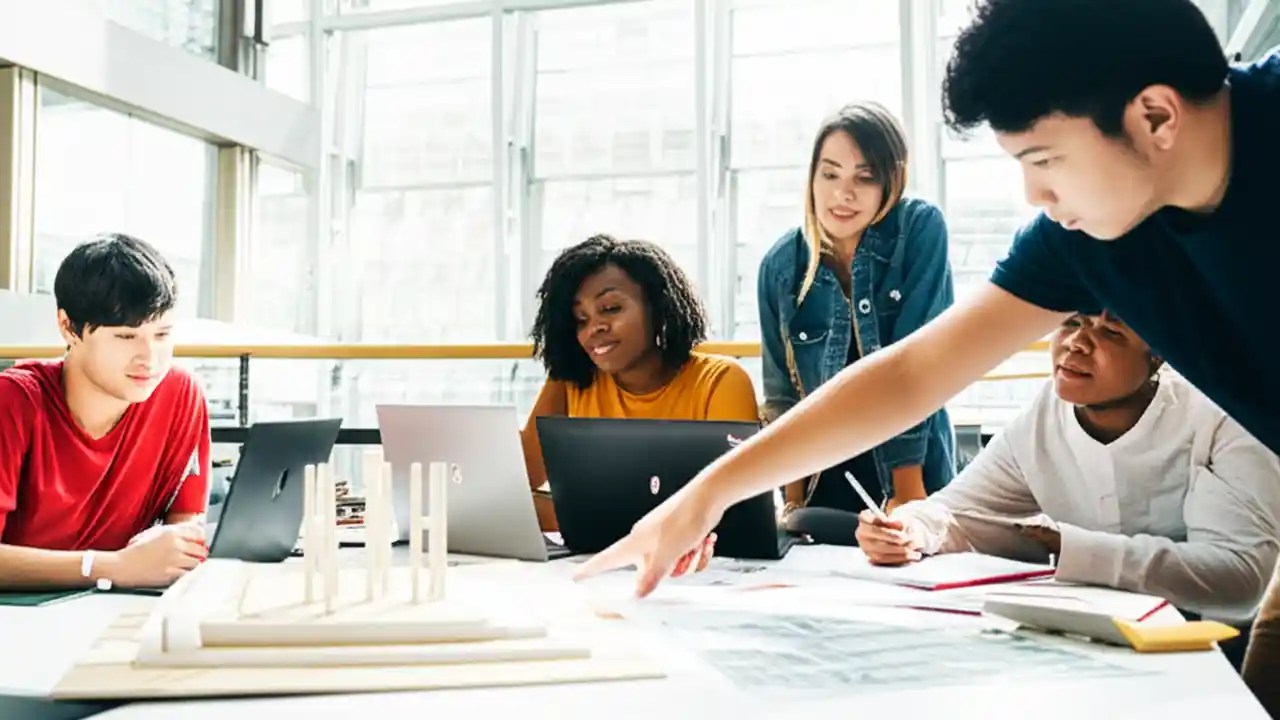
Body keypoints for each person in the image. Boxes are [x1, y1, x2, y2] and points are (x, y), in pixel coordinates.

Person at [576, 4, 1280, 701]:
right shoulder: (1087, 236)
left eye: (1044, 159)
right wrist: (707, 494)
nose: (1034, 193)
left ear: (1155, 117)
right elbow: (912, 373)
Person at [855, 313, 1280, 625]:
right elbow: (958, 514)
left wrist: (1072, 548)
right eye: (1071, 322)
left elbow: (1238, 580)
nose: (1077, 343)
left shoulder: (1222, 417)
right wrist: (907, 528)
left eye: (1111, 331)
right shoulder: (1045, 415)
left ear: (1158, 356)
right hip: (1089, 636)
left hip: (1209, 649)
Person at [758, 101, 955, 523]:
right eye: (829, 174)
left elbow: (914, 367)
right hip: (823, 493)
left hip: (912, 481)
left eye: (864, 179)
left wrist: (908, 499)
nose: (841, 194)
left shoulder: (918, 230)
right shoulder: (780, 266)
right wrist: (792, 506)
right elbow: (782, 398)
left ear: (891, 181)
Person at [520, 235, 759, 554]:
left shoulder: (720, 380)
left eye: (610, 308)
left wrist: (577, 515)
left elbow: (735, 509)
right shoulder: (571, 381)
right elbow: (518, 483)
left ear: (658, 307)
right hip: (604, 567)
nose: (594, 328)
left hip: (705, 567)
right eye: (581, 319)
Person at [0, 234, 211, 590]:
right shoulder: (14, 400)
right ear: (69, 327)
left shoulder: (180, 394)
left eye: (162, 335)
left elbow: (186, 529)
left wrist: (167, 552)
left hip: (118, 610)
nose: (149, 358)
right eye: (126, 337)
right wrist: (111, 567)